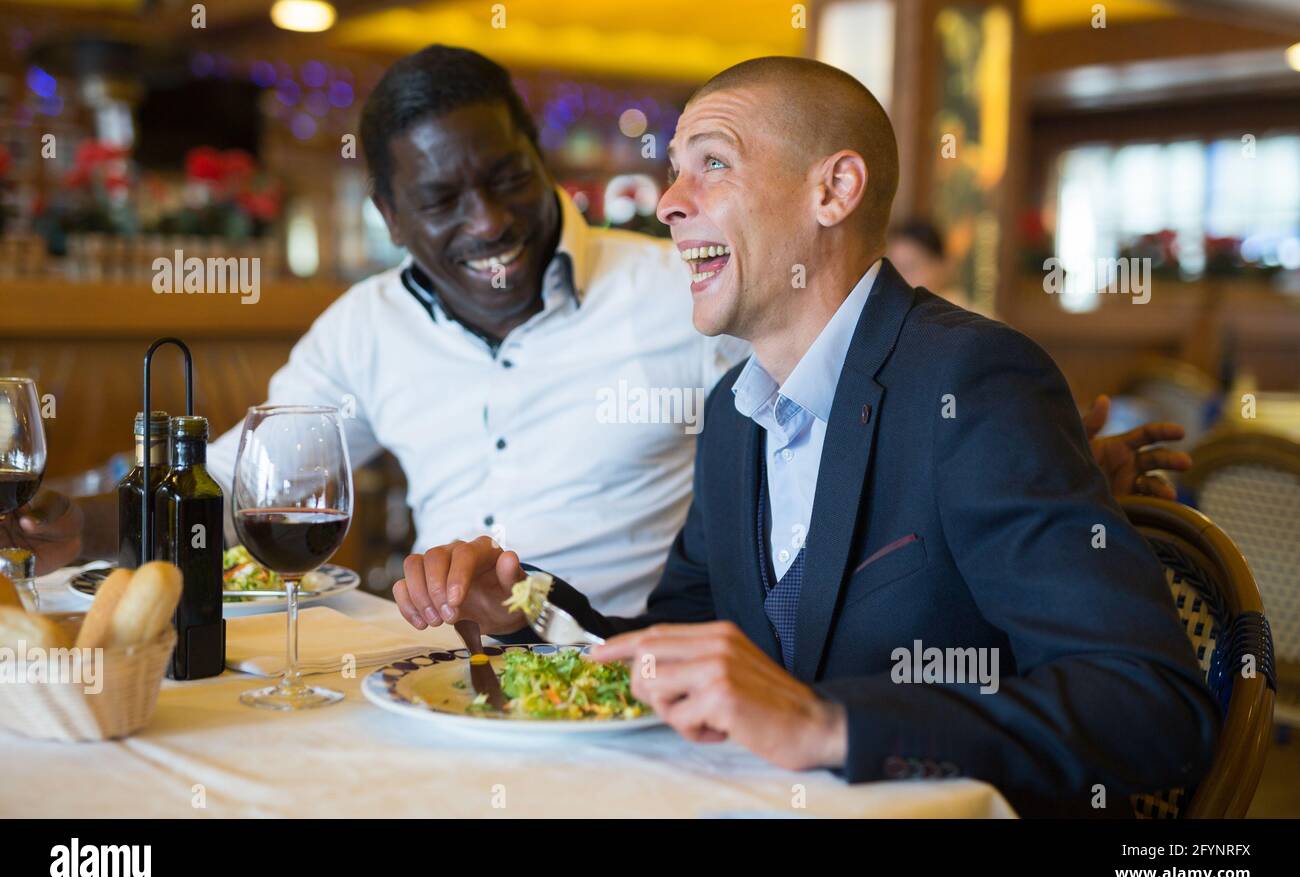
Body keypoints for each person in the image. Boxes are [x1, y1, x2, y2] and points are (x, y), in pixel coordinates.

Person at [395, 57, 1219, 816]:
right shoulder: (731, 414)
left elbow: (1152, 708)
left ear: (835, 191)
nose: (669, 201)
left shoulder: (973, 382)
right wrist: (522, 613)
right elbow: (670, 654)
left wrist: (828, 724)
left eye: (711, 163)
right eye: (675, 170)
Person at [4, 45, 742, 620]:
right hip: (424, 670)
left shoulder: (685, 292)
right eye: (441, 199)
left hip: (617, 673)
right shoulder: (367, 325)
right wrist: (85, 529)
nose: (487, 220)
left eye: (509, 177)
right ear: (390, 217)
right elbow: (242, 487)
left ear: (538, 159)